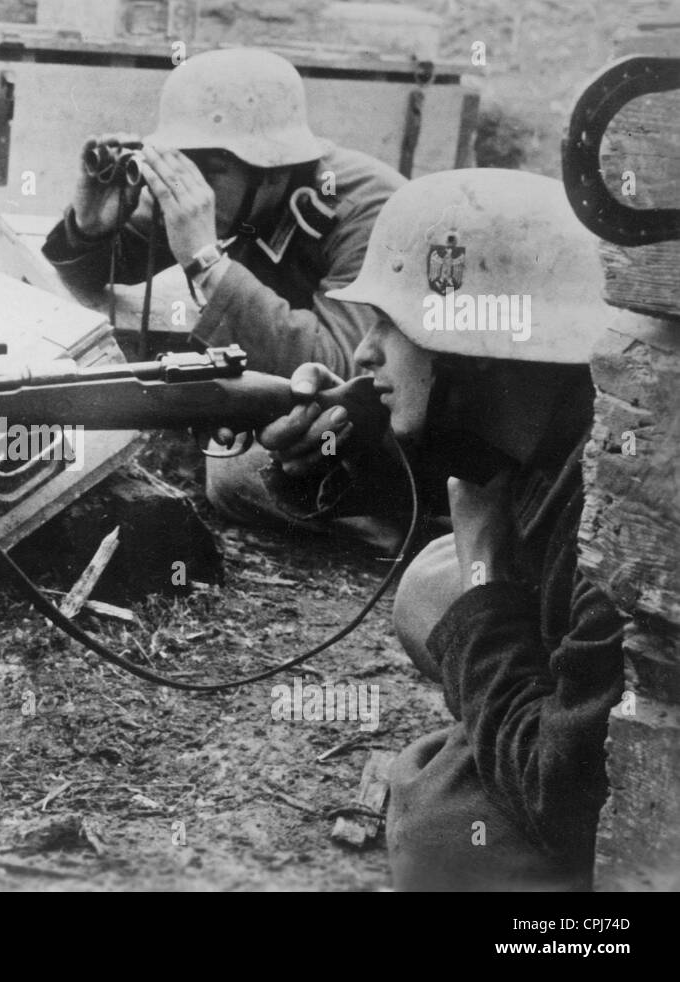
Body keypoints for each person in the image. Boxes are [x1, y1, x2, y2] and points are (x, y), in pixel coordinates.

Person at [256, 167, 626, 890]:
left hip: (606, 782)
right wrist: (331, 449)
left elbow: (566, 799)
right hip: (576, 687)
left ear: (480, 352)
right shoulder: (551, 419)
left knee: (447, 836)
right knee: (429, 588)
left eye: (393, 326)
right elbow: (448, 465)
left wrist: (484, 570)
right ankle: (517, 714)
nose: (364, 354)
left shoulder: (618, 533)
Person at [40, 47, 406, 537]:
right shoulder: (235, 192)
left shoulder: (368, 206)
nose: (184, 183)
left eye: (206, 168)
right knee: (236, 463)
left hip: (388, 414)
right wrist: (91, 226)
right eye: (178, 162)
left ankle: (400, 518)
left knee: (236, 475)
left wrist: (206, 261)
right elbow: (96, 279)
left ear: (273, 168)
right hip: (303, 397)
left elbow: (344, 370)